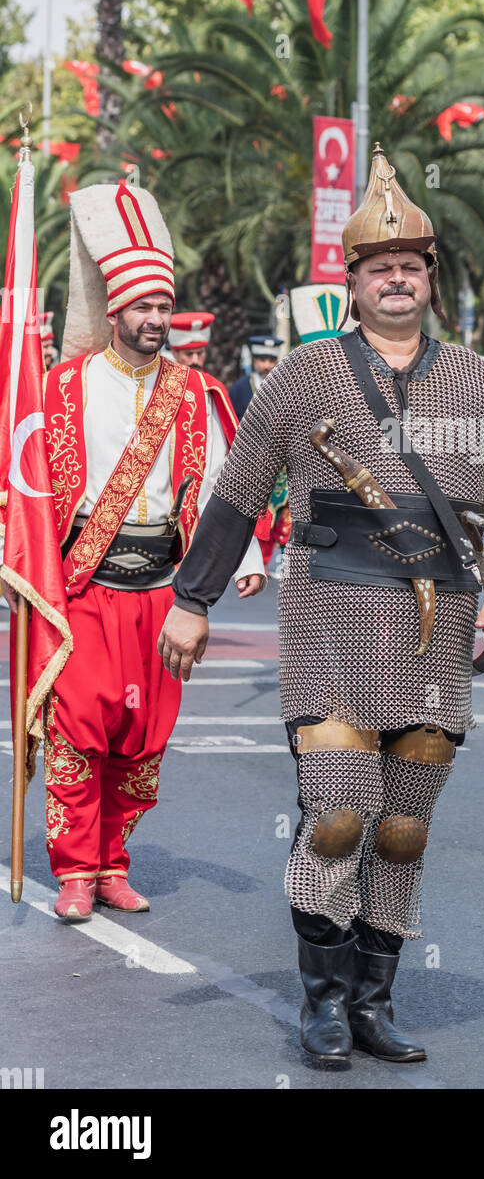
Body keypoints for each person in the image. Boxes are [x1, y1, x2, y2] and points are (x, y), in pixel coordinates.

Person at [158, 143, 484, 1064]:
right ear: (354, 283)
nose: (395, 280)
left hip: (438, 624)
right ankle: (322, 1003)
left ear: (428, 279)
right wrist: (192, 599)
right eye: (379, 269)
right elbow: (238, 491)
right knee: (335, 815)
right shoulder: (304, 376)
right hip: (331, 617)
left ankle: (375, 1002)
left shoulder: (474, 381)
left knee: (402, 831)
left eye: (409, 267)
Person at [0, 182, 266, 922]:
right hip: (82, 582)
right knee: (78, 731)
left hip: (162, 592)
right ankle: (76, 871)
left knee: (141, 740)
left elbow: (224, 483)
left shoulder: (195, 393)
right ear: (114, 310)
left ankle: (115, 861)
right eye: (142, 307)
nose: (155, 320)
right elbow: (22, 480)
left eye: (162, 307)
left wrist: (241, 563)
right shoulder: (59, 389)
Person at [229, 335, 281, 419]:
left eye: (271, 361)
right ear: (254, 361)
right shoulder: (239, 388)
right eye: (262, 360)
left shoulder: (283, 388)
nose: (266, 366)